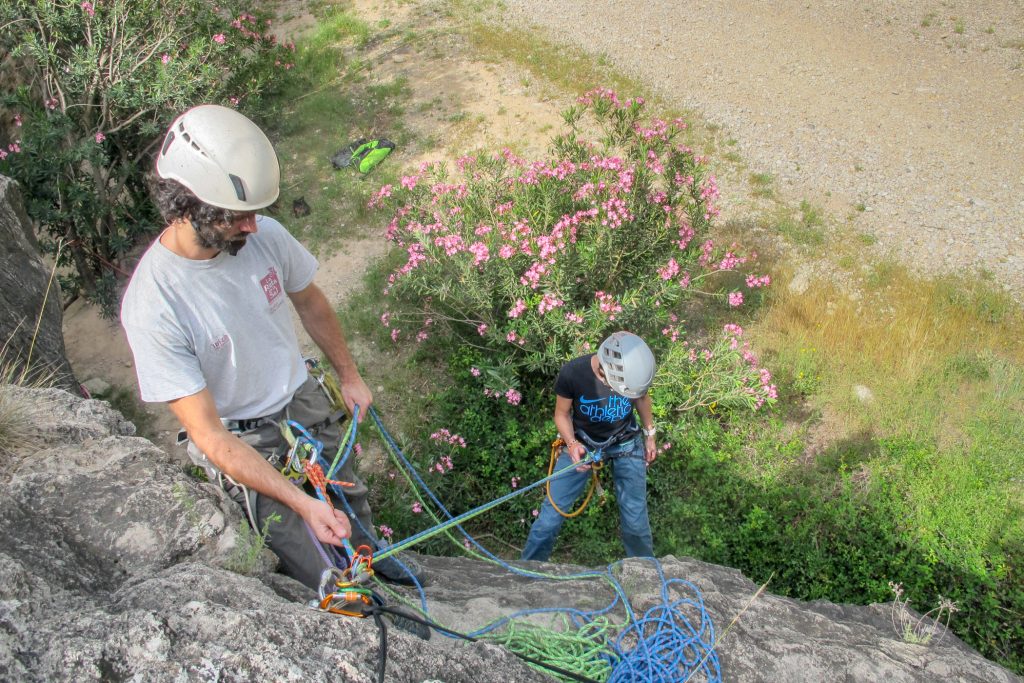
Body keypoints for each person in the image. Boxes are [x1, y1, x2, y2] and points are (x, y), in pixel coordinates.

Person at [121, 104, 424, 591]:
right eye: (236, 217)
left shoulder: (263, 238)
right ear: (187, 206)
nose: (252, 227)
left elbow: (311, 302)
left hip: (301, 398)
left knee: (349, 497)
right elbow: (209, 436)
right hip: (242, 437)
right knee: (302, 547)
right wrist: (302, 502)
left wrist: (349, 376)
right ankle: (345, 597)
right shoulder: (155, 305)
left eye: (253, 214)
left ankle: (372, 555)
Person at [521, 331, 658, 562]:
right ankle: (527, 570)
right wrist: (572, 444)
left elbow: (641, 398)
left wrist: (650, 434)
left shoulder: (630, 371)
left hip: (625, 441)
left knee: (636, 520)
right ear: (603, 371)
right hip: (582, 443)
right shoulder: (573, 373)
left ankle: (645, 571)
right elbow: (561, 414)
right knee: (549, 518)